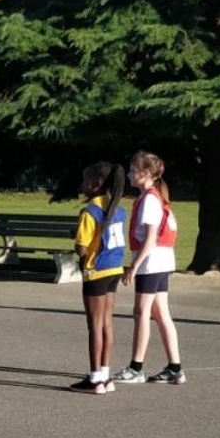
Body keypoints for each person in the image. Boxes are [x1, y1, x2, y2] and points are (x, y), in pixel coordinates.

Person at [116, 151, 185, 385]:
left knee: (141, 312)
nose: (129, 174)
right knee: (160, 312)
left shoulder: (149, 200)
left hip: (152, 262)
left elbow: (150, 239)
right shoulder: (153, 197)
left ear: (144, 173)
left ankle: (136, 368)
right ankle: (175, 368)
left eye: (132, 170)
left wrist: (133, 267)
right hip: (161, 260)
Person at [72, 161, 127, 393]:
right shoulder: (118, 209)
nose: (82, 186)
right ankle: (105, 374)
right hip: (114, 269)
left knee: (94, 325)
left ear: (95, 184)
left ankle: (95, 379)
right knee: (106, 323)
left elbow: (82, 248)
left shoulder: (90, 211)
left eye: (85, 182)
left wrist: (76, 240)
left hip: (96, 271)